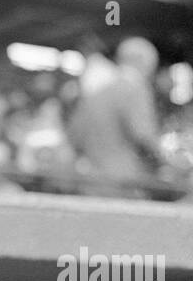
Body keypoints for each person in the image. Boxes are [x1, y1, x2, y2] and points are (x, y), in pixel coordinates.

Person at [67, 37, 163, 191]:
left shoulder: (96, 92)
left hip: (91, 179)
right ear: (144, 62)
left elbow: (74, 134)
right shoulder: (136, 88)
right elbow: (142, 135)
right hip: (126, 180)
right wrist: (163, 161)